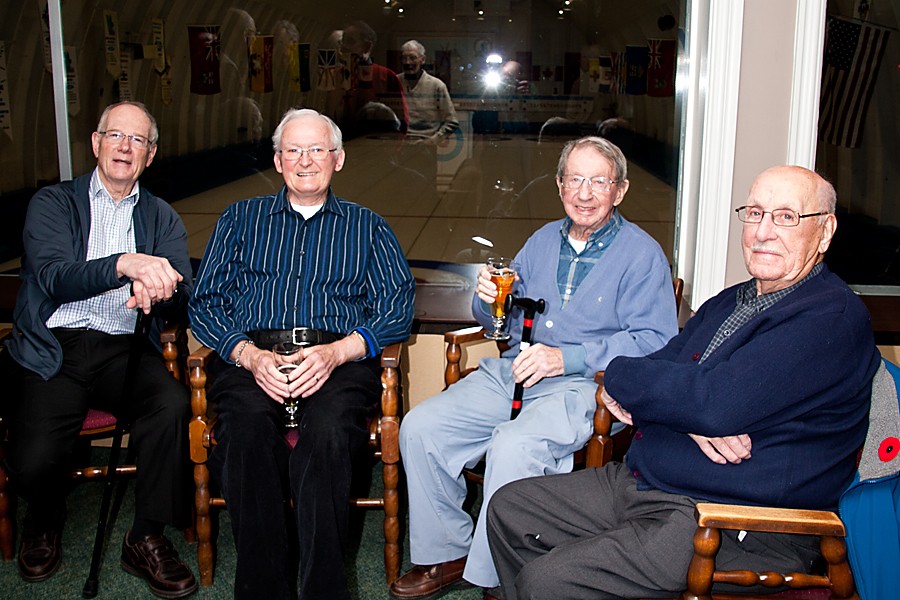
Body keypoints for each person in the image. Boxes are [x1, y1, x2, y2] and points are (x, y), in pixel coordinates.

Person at [485, 166, 881, 600]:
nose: (764, 231)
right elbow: (643, 368)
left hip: (734, 520)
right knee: (510, 509)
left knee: (549, 582)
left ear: (824, 233)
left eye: (786, 217)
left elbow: (712, 403)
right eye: (754, 213)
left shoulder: (829, 320)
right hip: (650, 481)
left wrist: (678, 403)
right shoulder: (732, 301)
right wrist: (681, 412)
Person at [389, 137, 678, 600]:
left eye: (598, 181)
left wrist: (569, 357)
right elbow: (505, 324)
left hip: (584, 385)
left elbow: (655, 340)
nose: (585, 193)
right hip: (515, 372)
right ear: (560, 185)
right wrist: (487, 303)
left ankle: (496, 572)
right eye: (575, 180)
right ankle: (447, 551)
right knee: (422, 426)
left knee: (514, 444)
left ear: (619, 191)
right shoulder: (540, 241)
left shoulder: (642, 255)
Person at [188, 108, 415, 600]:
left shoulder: (369, 227)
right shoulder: (239, 219)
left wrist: (338, 352)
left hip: (336, 359)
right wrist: (247, 355)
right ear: (277, 160)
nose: (305, 160)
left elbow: (397, 308)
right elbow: (204, 305)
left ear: (339, 159)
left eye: (317, 150)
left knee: (329, 435)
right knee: (245, 434)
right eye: (293, 150)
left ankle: (323, 591)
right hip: (253, 356)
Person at [2, 101, 197, 597]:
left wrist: (163, 293)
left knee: (172, 405)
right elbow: (53, 277)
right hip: (55, 347)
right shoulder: (53, 203)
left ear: (150, 155)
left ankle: (146, 533)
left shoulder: (162, 216)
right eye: (116, 136)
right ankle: (44, 515)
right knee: (33, 460)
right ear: (95, 143)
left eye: (138, 141)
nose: (124, 148)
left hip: (122, 348)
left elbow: (182, 299)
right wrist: (123, 265)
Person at [337, 20, 409, 138]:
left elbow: (402, 122)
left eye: (351, 42)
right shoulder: (334, 76)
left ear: (367, 46)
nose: (345, 47)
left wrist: (392, 150)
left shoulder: (386, 76)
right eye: (343, 41)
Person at [398, 40, 459, 146]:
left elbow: (452, 121)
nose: (408, 62)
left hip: (425, 148)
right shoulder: (394, 82)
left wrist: (432, 141)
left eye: (412, 58)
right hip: (398, 146)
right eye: (404, 58)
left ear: (423, 59)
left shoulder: (437, 86)